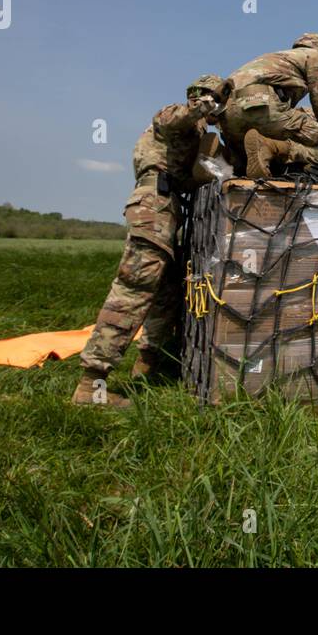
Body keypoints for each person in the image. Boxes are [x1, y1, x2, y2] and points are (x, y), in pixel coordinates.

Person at [71, 75, 229, 407]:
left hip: (168, 210)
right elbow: (176, 118)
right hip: (154, 208)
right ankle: (90, 385)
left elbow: (189, 176)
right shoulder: (173, 117)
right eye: (213, 100)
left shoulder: (193, 135)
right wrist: (204, 106)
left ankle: (148, 366)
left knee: (167, 292)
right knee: (133, 291)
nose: (216, 108)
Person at [221, 33, 318, 179]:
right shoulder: (314, 56)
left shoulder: (276, 58)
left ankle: (222, 158)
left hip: (226, 116)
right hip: (259, 105)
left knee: (247, 152)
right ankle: (270, 147)